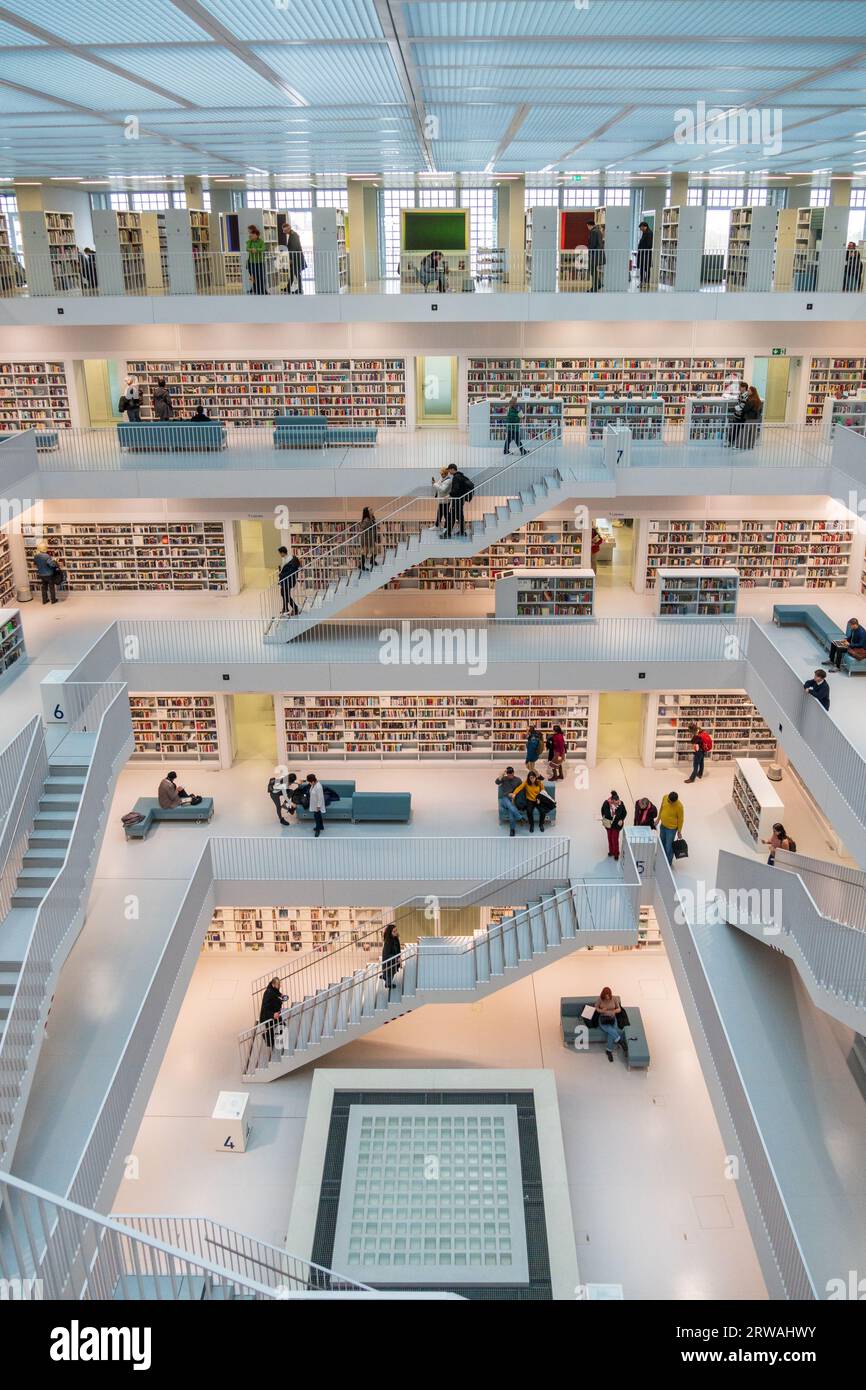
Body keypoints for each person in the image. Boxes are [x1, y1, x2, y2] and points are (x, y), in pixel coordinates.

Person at [595, 986, 626, 1062]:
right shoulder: (600, 999)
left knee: (611, 1033)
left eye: (608, 996)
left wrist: (614, 1011)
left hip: (612, 1018)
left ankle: (608, 1051)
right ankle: (620, 1041)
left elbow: (619, 1009)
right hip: (603, 1019)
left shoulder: (614, 998)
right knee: (611, 1030)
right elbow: (596, 1008)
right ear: (603, 995)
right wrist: (602, 1010)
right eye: (606, 996)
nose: (607, 998)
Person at [445, 464, 473, 537]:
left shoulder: (456, 477)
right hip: (461, 499)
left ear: (453, 469)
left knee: (452, 516)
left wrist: (449, 495)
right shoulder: (461, 476)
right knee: (460, 516)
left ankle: (448, 533)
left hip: (457, 499)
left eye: (449, 469)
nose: (449, 471)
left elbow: (456, 489)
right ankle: (462, 532)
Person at [496, 766, 524, 836]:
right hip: (504, 799)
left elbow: (521, 790)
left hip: (513, 799)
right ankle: (520, 818)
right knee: (509, 805)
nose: (510, 775)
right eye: (509, 774)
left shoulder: (518, 780)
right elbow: (496, 782)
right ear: (507, 774)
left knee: (511, 812)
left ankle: (512, 829)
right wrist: (503, 773)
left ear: (513, 773)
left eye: (511, 774)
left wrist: (514, 794)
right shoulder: (504, 778)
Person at [658, 790, 684, 865]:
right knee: (662, 842)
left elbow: (681, 819)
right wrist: (658, 819)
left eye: (670, 802)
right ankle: (662, 858)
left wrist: (679, 831)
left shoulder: (679, 806)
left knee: (668, 846)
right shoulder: (665, 797)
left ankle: (668, 862)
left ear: (674, 801)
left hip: (671, 829)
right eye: (668, 800)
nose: (668, 802)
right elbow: (661, 808)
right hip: (663, 825)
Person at [259, 977, 284, 1052]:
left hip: (275, 1014)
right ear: (273, 984)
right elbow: (265, 1008)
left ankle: (275, 1043)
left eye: (279, 985)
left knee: (280, 1027)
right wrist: (272, 1014)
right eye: (277, 985)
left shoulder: (273, 988)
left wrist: (280, 995)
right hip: (269, 1016)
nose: (279, 987)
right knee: (272, 1032)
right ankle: (271, 1043)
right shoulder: (268, 993)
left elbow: (276, 992)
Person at [601, 790, 626, 861]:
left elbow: (624, 813)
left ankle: (616, 853)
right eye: (616, 803)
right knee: (610, 838)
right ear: (612, 801)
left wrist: (621, 819)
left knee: (615, 839)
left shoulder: (621, 803)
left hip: (616, 825)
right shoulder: (606, 803)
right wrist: (605, 817)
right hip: (609, 824)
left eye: (618, 802)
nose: (617, 804)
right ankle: (611, 851)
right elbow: (603, 811)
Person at [277, 545, 301, 617]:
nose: (280, 555)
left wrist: (281, 575)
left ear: (282, 553)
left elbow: (289, 571)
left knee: (286, 595)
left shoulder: (289, 560)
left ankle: (295, 608)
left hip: (288, 581)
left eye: (280, 553)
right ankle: (285, 608)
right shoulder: (287, 558)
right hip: (286, 580)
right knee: (283, 593)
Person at [284, 219, 306, 293]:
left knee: (296, 273)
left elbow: (293, 248)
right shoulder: (292, 235)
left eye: (285, 230)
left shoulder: (293, 235)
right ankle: (288, 288)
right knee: (293, 273)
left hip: (296, 258)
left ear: (289, 229)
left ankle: (300, 289)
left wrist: (291, 259)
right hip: (296, 257)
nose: (284, 232)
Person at [380, 922, 402, 993]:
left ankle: (384, 976)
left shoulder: (394, 938)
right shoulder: (388, 942)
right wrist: (397, 958)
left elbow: (397, 949)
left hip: (393, 961)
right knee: (390, 974)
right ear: (390, 932)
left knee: (390, 972)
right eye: (394, 931)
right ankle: (388, 984)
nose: (396, 932)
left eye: (396, 930)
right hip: (389, 962)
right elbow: (387, 955)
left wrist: (398, 957)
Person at [246, 224, 267, 295]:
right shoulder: (250, 241)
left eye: (252, 234)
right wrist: (252, 249)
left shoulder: (261, 241)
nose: (250, 235)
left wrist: (256, 250)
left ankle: (263, 290)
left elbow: (263, 248)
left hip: (260, 262)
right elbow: (247, 248)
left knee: (261, 276)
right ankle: (256, 290)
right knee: (254, 277)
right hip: (252, 262)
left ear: (256, 235)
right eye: (251, 234)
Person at [432, 467, 452, 536]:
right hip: (441, 500)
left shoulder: (448, 480)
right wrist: (435, 483)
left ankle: (446, 527)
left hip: (445, 500)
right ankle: (437, 526)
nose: (441, 475)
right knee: (440, 513)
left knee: (446, 514)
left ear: (446, 474)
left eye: (442, 474)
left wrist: (435, 484)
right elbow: (438, 485)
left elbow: (442, 489)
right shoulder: (442, 478)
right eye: (441, 474)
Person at [358, 506, 379, 571]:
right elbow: (362, 528)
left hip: (371, 538)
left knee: (375, 551)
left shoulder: (372, 518)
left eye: (372, 509)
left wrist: (375, 538)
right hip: (366, 539)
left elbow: (374, 528)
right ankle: (361, 565)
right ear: (367, 512)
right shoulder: (366, 520)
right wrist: (360, 532)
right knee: (365, 553)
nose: (372, 510)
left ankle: (372, 561)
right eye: (370, 510)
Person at [306, 772, 326, 837]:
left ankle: (318, 829)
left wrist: (318, 806)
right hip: (314, 803)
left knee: (316, 816)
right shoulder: (313, 784)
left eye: (309, 782)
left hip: (317, 805)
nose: (309, 783)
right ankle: (321, 826)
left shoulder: (318, 787)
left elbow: (320, 797)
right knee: (318, 815)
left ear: (313, 781)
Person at [587, 219, 604, 291]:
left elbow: (593, 244)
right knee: (594, 270)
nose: (588, 228)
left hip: (594, 254)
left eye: (587, 226)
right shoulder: (599, 231)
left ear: (589, 225)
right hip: (598, 254)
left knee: (592, 270)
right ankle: (598, 284)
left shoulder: (593, 231)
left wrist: (588, 250)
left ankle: (595, 287)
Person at [636, 220, 653, 289]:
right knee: (642, 269)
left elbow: (649, 245)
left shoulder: (649, 233)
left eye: (641, 228)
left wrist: (642, 248)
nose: (640, 229)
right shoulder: (645, 232)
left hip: (646, 254)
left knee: (646, 269)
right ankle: (642, 282)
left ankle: (646, 283)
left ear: (644, 227)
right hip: (643, 254)